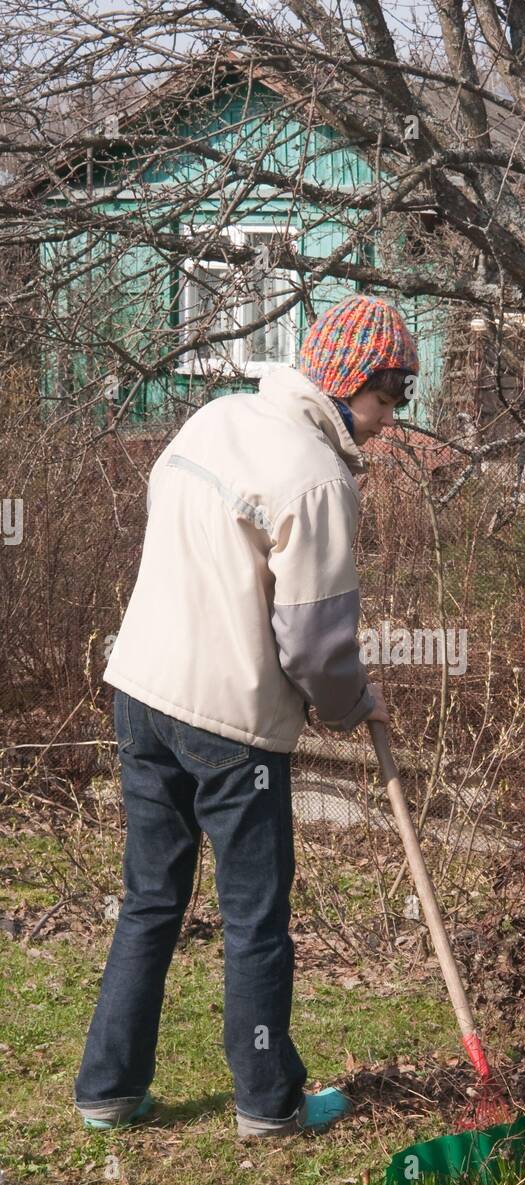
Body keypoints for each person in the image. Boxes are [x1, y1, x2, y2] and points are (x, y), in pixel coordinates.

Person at [74, 293, 419, 1139]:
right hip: (228, 722)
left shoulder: (214, 421)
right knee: (254, 915)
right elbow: (314, 646)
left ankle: (107, 1090)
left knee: (151, 897)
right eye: (386, 400)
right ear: (347, 387)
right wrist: (353, 703)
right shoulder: (317, 477)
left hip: (142, 689)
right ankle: (269, 1102)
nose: (386, 423)